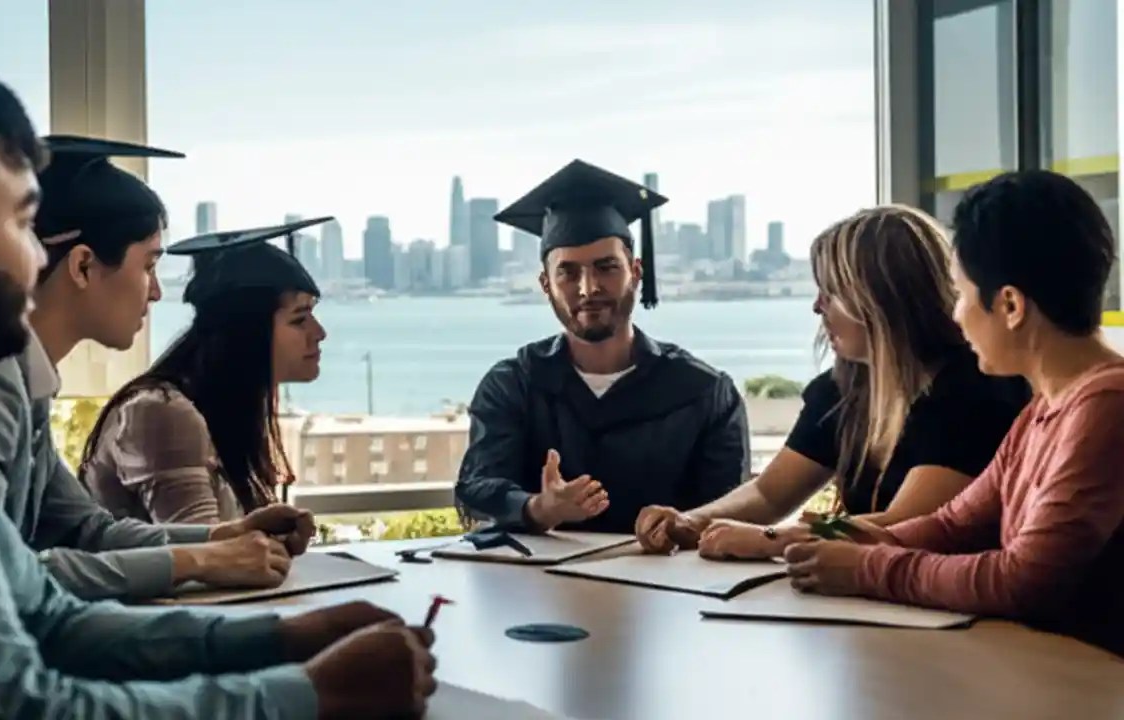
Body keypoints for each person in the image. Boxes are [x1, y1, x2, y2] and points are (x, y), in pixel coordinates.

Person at [0, 58, 435, 718]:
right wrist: (309, 696)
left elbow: (47, 618)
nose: (38, 257)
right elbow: (7, 707)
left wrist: (279, 638)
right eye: (19, 224)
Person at [0, 135, 313, 602]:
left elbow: (87, 531)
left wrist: (221, 538)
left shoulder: (29, 387)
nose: (157, 292)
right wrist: (197, 561)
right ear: (83, 267)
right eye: (149, 265)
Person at [783, 171, 1124, 657]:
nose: (957, 314)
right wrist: (817, 544)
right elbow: (949, 526)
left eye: (961, 294)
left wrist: (862, 569)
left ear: (1009, 305)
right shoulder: (1046, 408)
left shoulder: (1105, 405)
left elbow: (1025, 580)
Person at [635, 205, 1030, 557]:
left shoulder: (976, 392)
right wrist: (688, 522)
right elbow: (768, 493)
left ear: (882, 299)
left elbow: (906, 526)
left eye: (832, 292)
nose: (816, 306)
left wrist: (774, 539)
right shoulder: (844, 389)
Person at [455, 159, 750, 534]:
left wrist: (680, 530)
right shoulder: (514, 384)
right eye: (568, 272)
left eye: (606, 267)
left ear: (636, 272)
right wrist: (538, 508)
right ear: (546, 284)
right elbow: (476, 488)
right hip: (539, 587)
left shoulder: (704, 392)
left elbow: (729, 514)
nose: (588, 288)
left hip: (668, 587)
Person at [82, 219, 329, 526]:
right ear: (246, 331)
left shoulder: (224, 412)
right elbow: (206, 559)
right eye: (299, 319)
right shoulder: (161, 412)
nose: (319, 333)